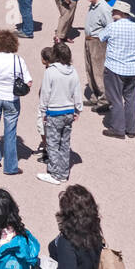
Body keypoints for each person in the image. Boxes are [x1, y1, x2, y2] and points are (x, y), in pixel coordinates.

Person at [0, 29, 30, 175]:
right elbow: (29, 81)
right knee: (10, 133)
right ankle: (10, 167)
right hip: (12, 100)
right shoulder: (18, 60)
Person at [38, 42, 83, 185]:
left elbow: (45, 93)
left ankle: (54, 173)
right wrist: (78, 109)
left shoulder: (50, 71)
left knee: (52, 143)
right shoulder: (73, 71)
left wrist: (43, 110)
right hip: (69, 111)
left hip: (54, 112)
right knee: (64, 143)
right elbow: (77, 92)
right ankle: (63, 173)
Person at [100, 0, 135, 138]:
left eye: (114, 11)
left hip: (115, 68)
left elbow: (101, 37)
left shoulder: (113, 27)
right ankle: (131, 129)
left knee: (115, 98)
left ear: (120, 13)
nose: (112, 12)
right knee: (131, 99)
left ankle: (118, 129)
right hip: (132, 69)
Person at [81, 0, 110, 106]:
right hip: (89, 41)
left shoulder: (104, 8)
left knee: (98, 70)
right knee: (90, 69)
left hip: (97, 42)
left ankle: (104, 99)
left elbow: (109, 26)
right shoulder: (93, 6)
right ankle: (95, 96)